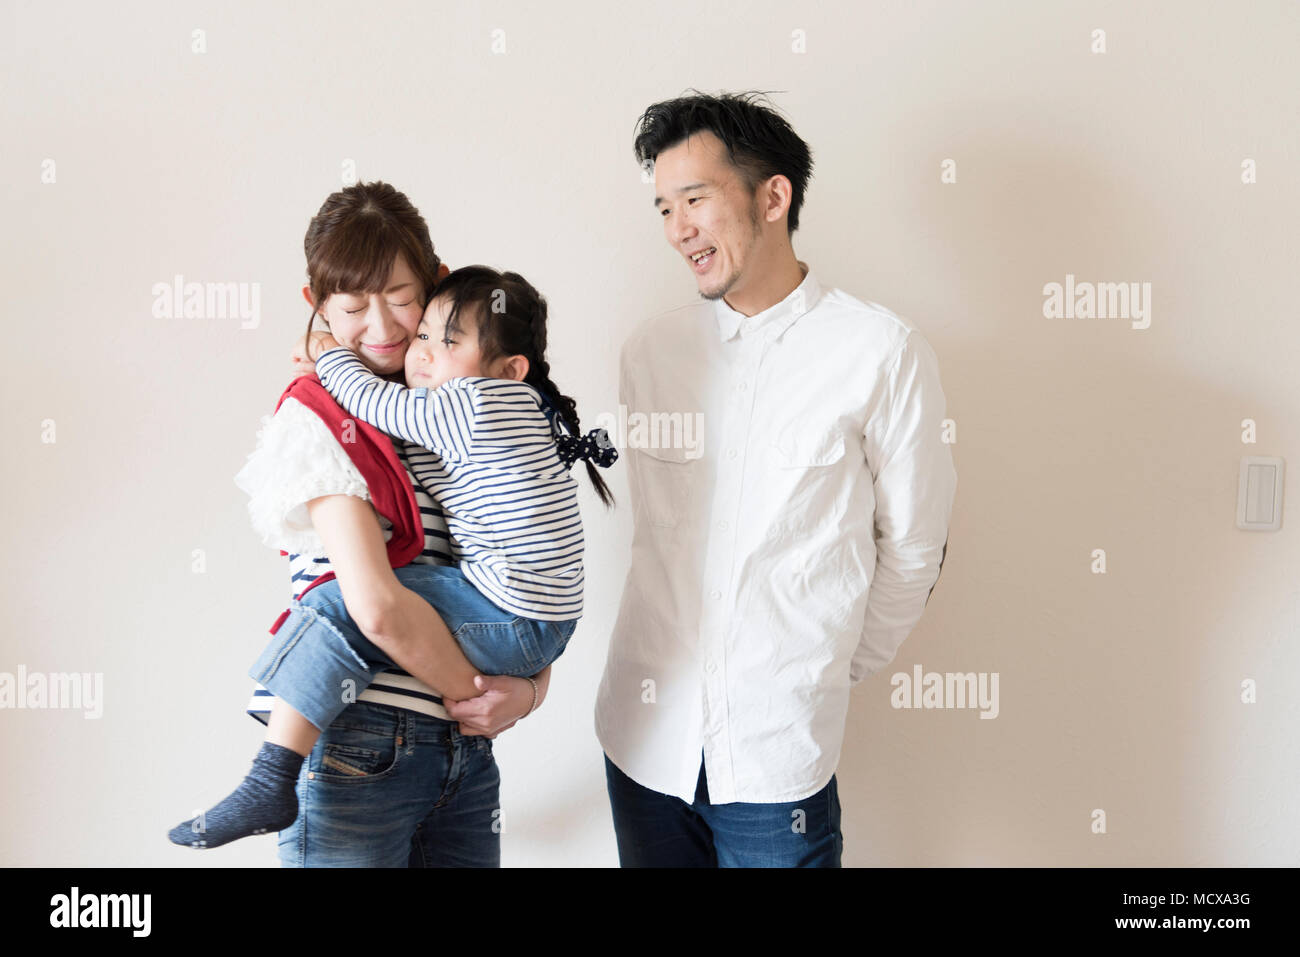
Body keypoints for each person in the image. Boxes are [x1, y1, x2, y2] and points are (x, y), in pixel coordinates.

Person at [595, 91, 958, 867]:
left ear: (773, 196)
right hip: (644, 740)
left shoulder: (880, 351)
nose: (677, 228)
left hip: (774, 757)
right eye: (663, 207)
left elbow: (916, 548)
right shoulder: (650, 354)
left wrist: (816, 662)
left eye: (695, 199)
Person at [168, 264, 616, 850]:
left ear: (509, 370)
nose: (423, 352)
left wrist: (330, 354)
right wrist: (522, 692)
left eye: (444, 339)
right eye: (424, 334)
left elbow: (370, 402)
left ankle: (269, 777)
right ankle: (272, 778)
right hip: (519, 636)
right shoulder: (502, 412)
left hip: (506, 628)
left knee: (334, 604)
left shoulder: (474, 404)